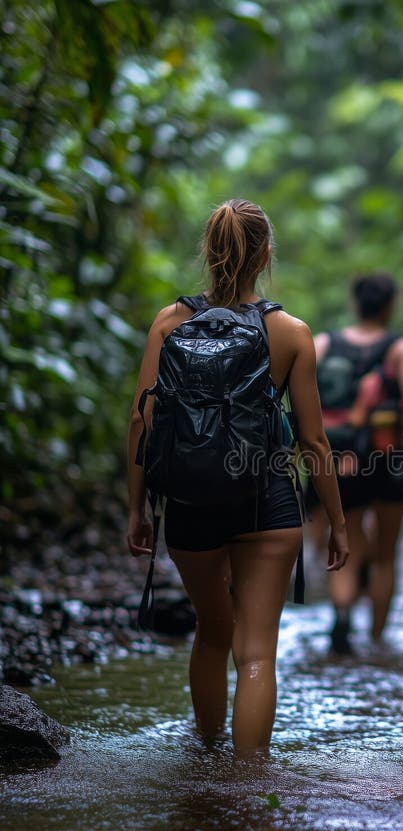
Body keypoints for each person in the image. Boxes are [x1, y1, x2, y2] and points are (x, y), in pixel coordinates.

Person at [127, 198, 349, 753]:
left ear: (209, 249)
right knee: (256, 654)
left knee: (211, 633)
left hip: (189, 506)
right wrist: (337, 522)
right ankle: (249, 782)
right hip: (267, 501)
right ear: (265, 254)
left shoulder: (170, 323)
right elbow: (313, 441)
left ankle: (206, 763)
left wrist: (137, 509)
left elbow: (141, 421)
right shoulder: (290, 332)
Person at [309, 273, 403, 654]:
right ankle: (377, 641)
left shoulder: (324, 343)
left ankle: (342, 616)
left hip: (342, 457)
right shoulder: (402, 349)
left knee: (347, 540)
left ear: (356, 303)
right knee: (386, 554)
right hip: (388, 457)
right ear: (390, 305)